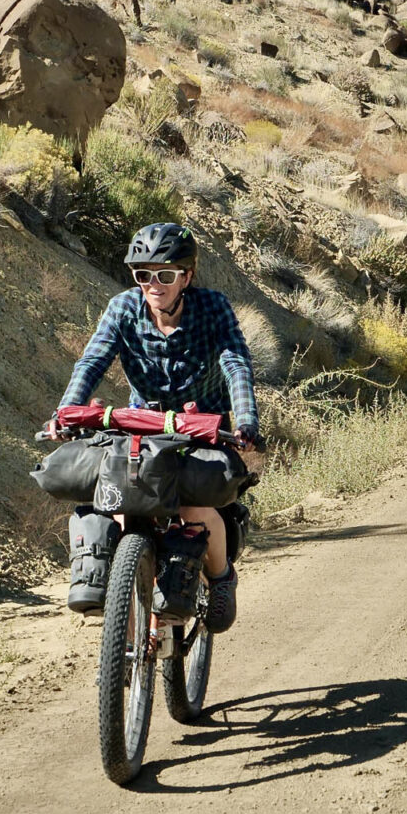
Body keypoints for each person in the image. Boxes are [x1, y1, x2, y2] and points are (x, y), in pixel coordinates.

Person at [52, 222, 263, 631]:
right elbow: (92, 361)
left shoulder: (213, 308)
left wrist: (247, 421)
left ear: (186, 276)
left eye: (165, 275)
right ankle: (123, 617)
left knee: (192, 505)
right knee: (116, 502)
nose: (153, 283)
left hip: (202, 427)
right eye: (143, 274)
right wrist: (66, 411)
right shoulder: (123, 309)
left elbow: (236, 363)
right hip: (144, 423)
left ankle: (220, 579)